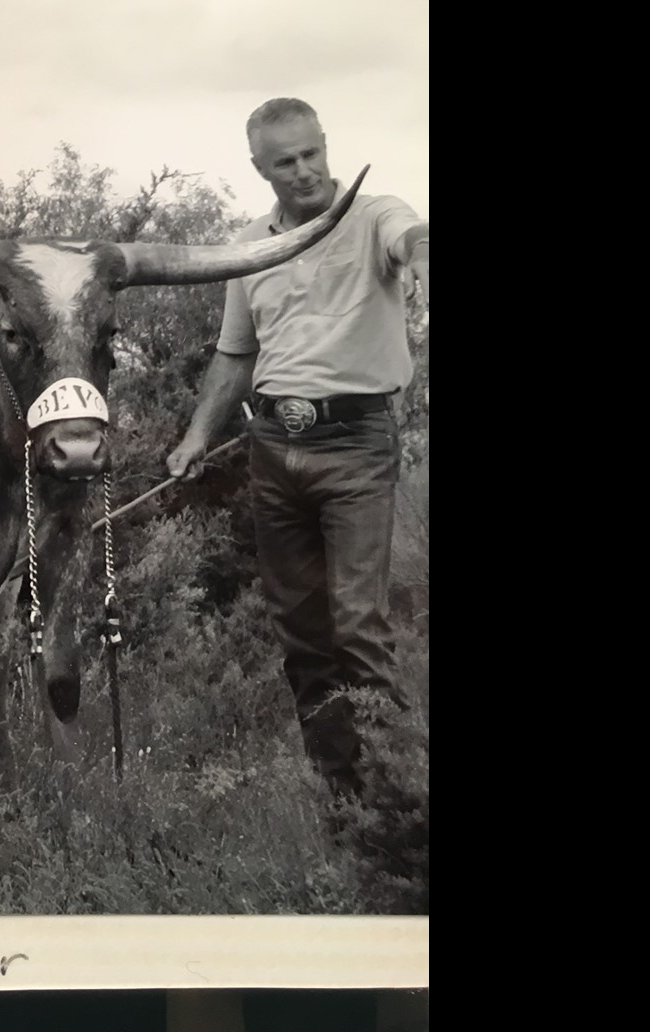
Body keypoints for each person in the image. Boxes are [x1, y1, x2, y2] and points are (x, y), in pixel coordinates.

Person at [166, 97, 428, 802]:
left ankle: (397, 808)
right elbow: (234, 357)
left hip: (357, 446)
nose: (305, 170)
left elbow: (414, 238)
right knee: (304, 637)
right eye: (286, 161)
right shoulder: (249, 246)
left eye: (312, 153)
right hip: (274, 448)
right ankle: (344, 804)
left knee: (359, 628)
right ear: (260, 168)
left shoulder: (375, 215)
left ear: (325, 144)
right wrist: (195, 437)